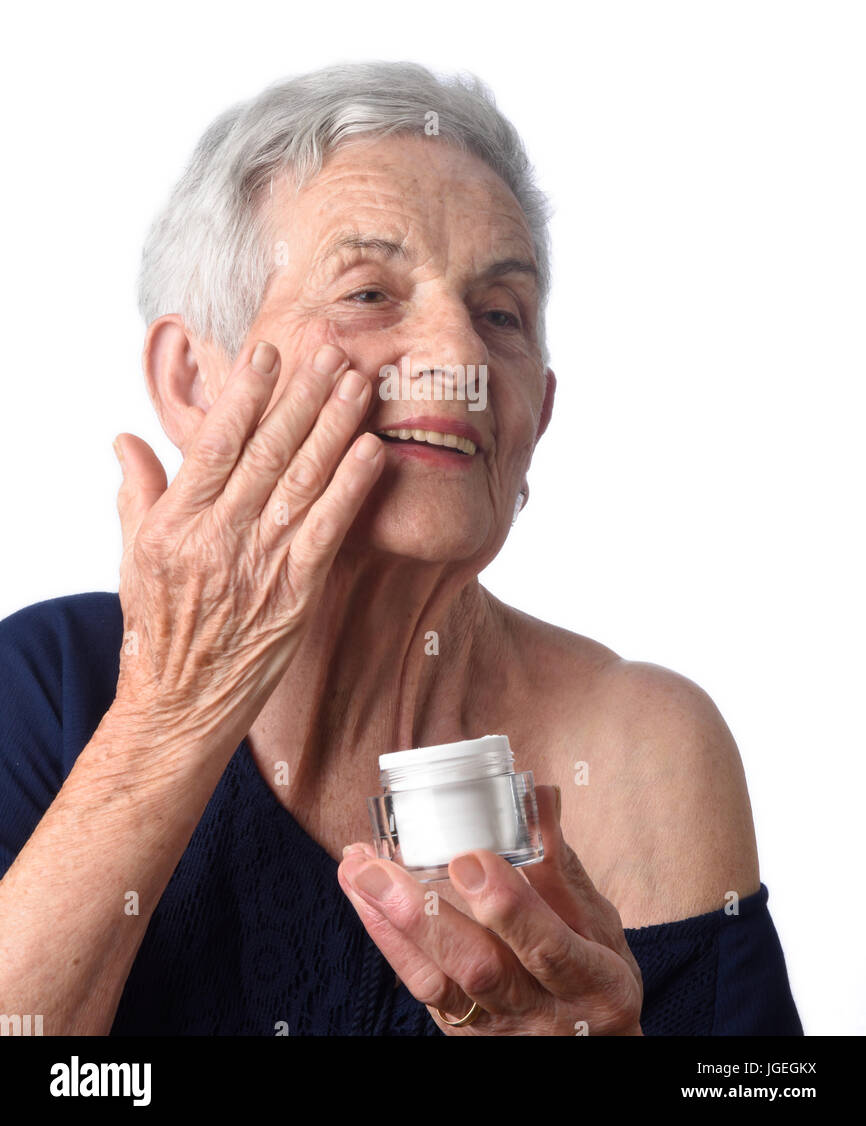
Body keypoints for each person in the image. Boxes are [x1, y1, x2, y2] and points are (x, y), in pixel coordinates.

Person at [0, 62, 802, 1036]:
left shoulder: (643, 745)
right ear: (192, 378)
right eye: (370, 291)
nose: (459, 359)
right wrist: (171, 713)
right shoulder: (46, 687)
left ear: (535, 413)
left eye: (500, 313)